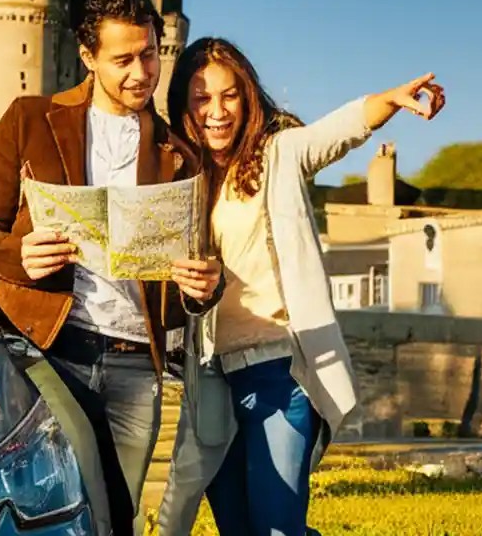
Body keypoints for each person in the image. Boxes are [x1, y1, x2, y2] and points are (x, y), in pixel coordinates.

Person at [0, 0, 224, 534]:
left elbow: (186, 294)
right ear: (88, 57)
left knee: (116, 519)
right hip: (51, 348)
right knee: (71, 505)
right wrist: (20, 253)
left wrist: (202, 288)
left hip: (134, 359)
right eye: (123, 59)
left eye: (149, 54)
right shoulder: (31, 119)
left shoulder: (180, 155)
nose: (141, 73)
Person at [156, 37, 445, 535]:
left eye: (230, 95)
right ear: (184, 104)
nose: (217, 111)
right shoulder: (183, 180)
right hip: (213, 380)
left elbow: (335, 133)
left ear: (247, 98)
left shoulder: (278, 154)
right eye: (202, 98)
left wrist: (388, 102)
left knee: (277, 525)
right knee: (237, 526)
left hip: (278, 370)